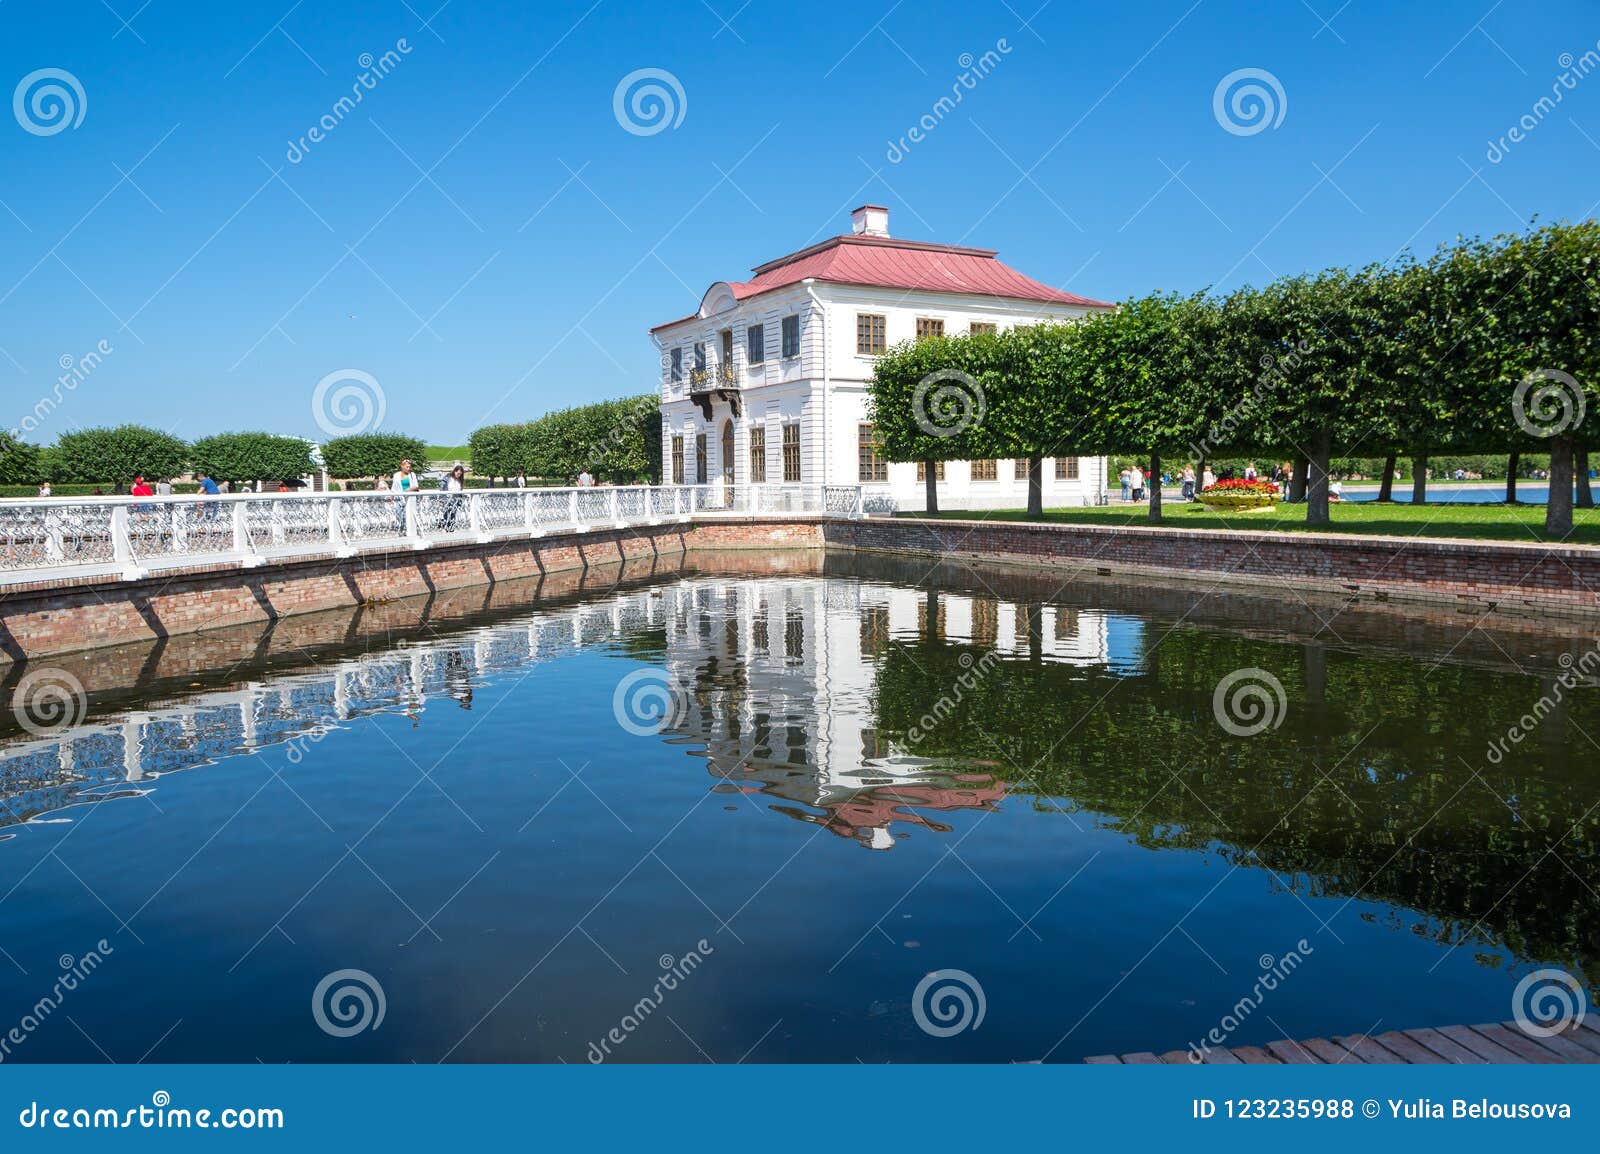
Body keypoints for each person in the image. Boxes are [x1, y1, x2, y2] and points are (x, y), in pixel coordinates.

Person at [441, 464, 466, 531]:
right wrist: (441, 499)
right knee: (446, 514)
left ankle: (451, 529)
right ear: (454, 471)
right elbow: (442, 488)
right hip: (447, 499)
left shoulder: (459, 480)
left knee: (453, 515)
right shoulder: (447, 478)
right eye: (458, 473)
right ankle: (446, 528)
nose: (459, 475)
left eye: (460, 474)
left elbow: (460, 491)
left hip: (455, 500)